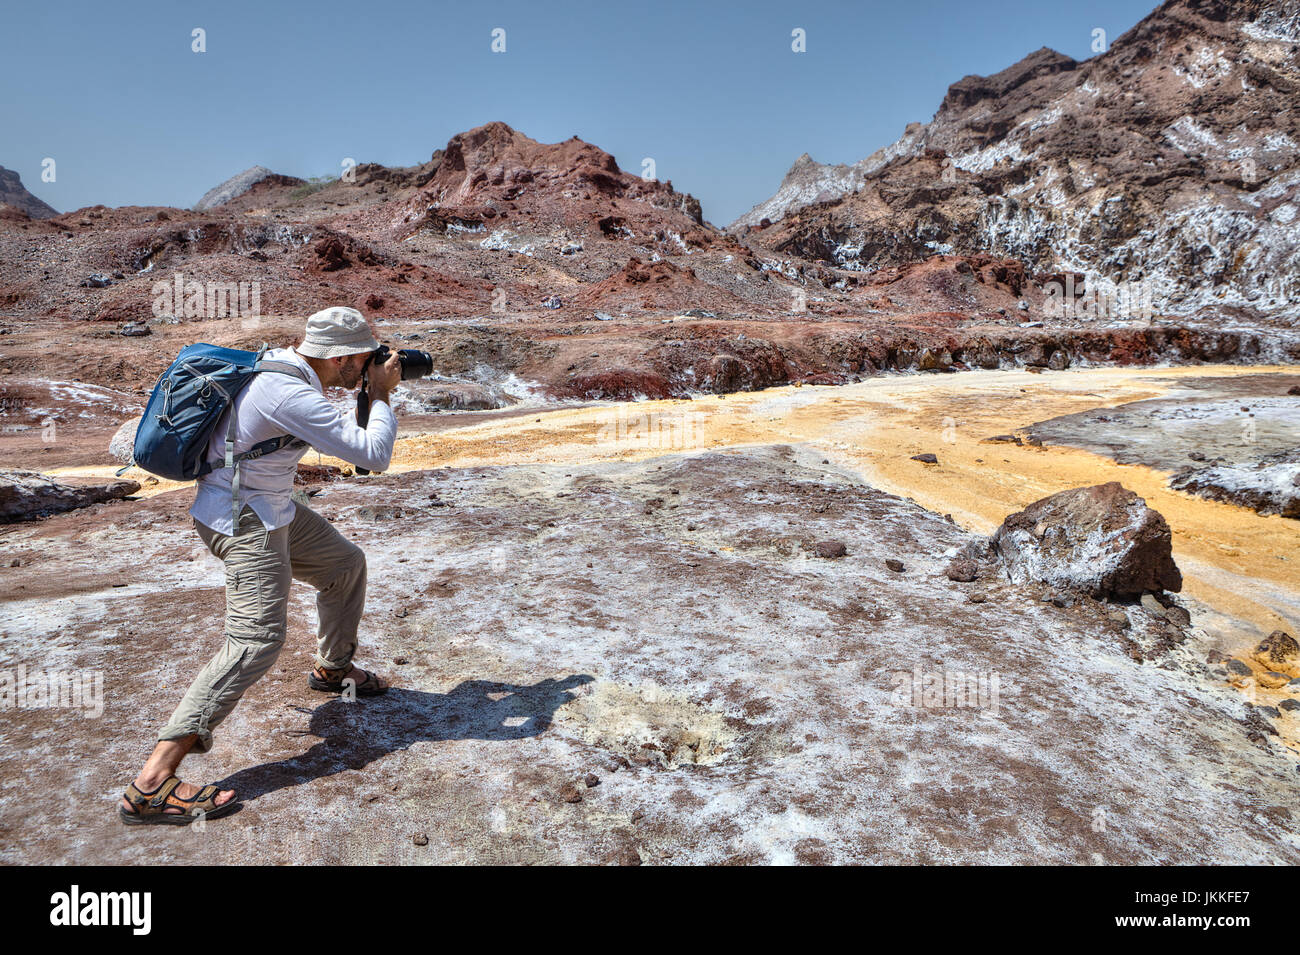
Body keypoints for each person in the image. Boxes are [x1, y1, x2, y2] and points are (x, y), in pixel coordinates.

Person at [119, 306, 402, 825]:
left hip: (270, 508)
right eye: (363, 361)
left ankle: (333, 670)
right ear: (339, 357)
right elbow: (374, 457)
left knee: (343, 565)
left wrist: (367, 394)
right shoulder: (287, 392)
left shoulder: (284, 367)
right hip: (244, 521)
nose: (367, 368)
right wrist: (381, 395)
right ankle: (151, 785)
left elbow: (352, 451)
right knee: (255, 640)